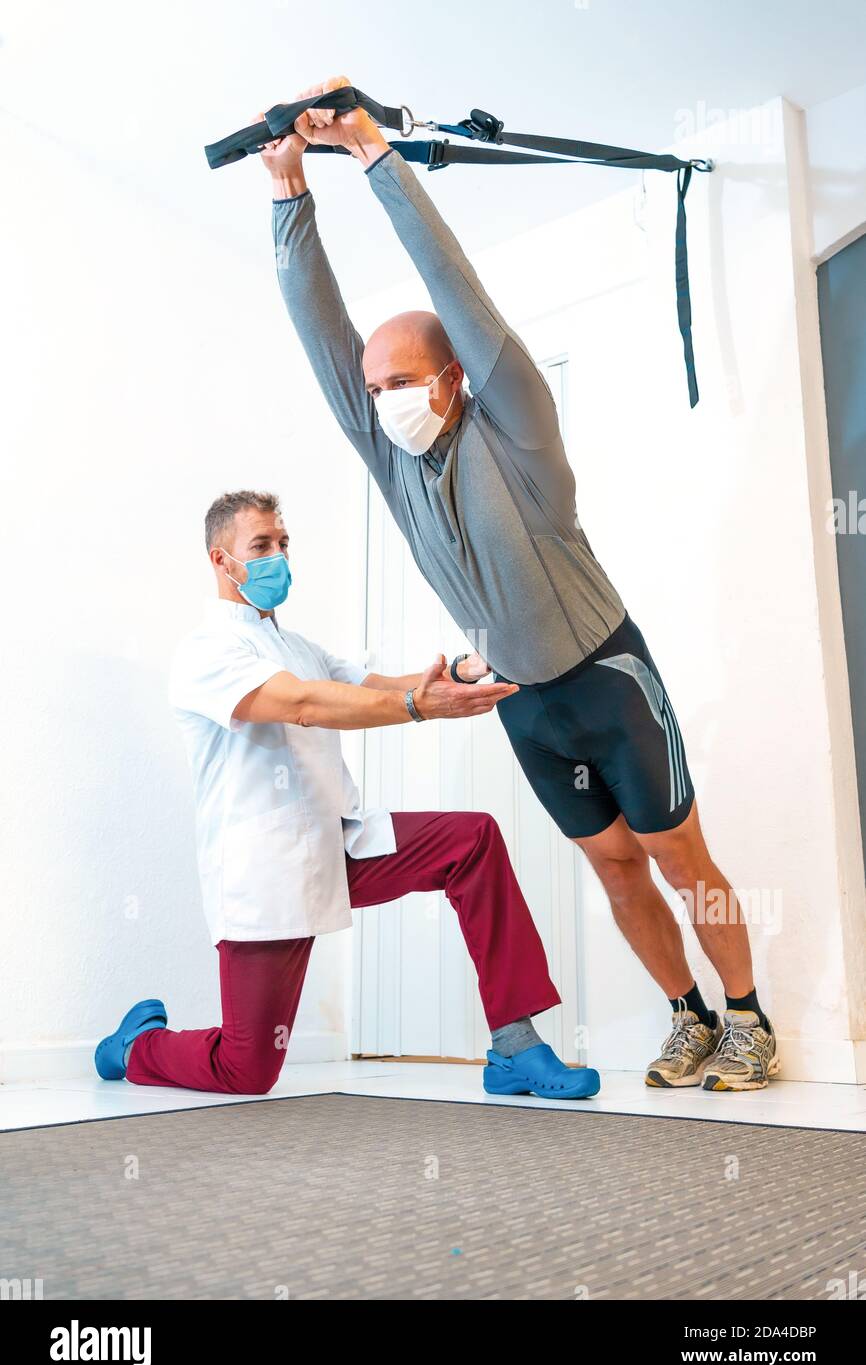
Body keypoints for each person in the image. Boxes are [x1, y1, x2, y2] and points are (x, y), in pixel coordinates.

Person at [261, 76, 780, 1093]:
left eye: (399, 381)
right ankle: (685, 1017)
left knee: (681, 861)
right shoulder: (392, 462)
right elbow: (321, 340)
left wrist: (372, 155)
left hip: (607, 678)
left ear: (452, 377)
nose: (382, 400)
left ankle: (748, 1018)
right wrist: (288, 196)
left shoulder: (518, 427)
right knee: (613, 864)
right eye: (374, 390)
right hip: (526, 706)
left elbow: (458, 292)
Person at [95, 491, 601, 1101]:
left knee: (471, 840)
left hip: (339, 846)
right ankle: (134, 1048)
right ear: (219, 559)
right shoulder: (208, 653)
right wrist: (418, 707)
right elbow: (307, 705)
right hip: (267, 873)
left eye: (283, 544)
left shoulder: (300, 647)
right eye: (260, 546)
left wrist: (463, 672)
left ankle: (516, 1047)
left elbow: (377, 686)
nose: (277, 557)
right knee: (246, 1069)